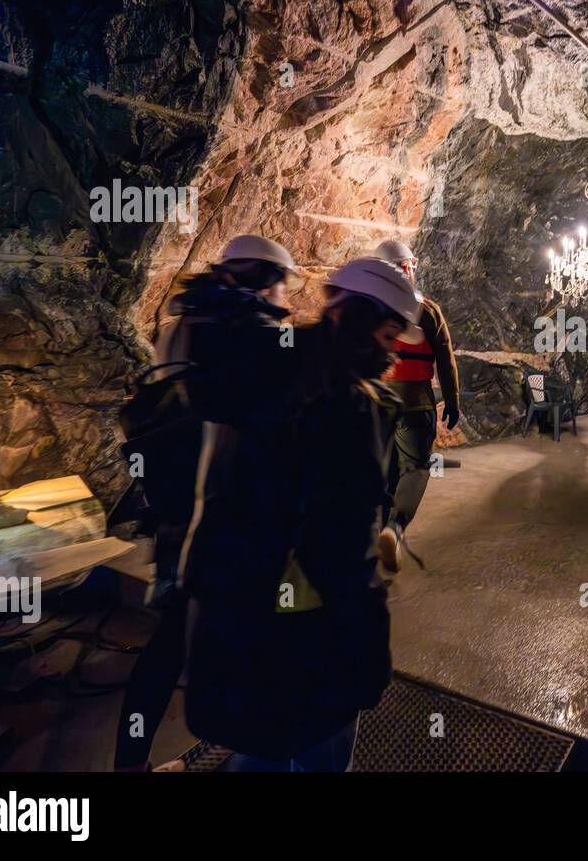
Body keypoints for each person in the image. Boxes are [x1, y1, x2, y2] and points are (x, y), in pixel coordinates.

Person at [180, 257, 423, 771]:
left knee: (261, 739)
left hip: (236, 602)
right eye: (388, 334)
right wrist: (368, 652)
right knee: (318, 745)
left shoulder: (269, 365)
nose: (393, 351)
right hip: (307, 624)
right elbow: (341, 546)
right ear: (360, 319)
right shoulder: (347, 402)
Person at [114, 235, 296, 772]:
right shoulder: (254, 335)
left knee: (167, 645)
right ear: (266, 279)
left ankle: (131, 761)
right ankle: (239, 746)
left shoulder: (182, 322)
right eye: (283, 282)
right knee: (244, 631)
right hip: (220, 512)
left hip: (170, 509)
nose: (287, 294)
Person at [371, 239, 460, 572]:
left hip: (377, 403)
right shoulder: (428, 309)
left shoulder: (369, 308)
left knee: (382, 471)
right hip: (415, 403)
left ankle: (376, 530)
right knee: (415, 470)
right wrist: (451, 402)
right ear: (408, 267)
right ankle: (394, 530)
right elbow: (445, 361)